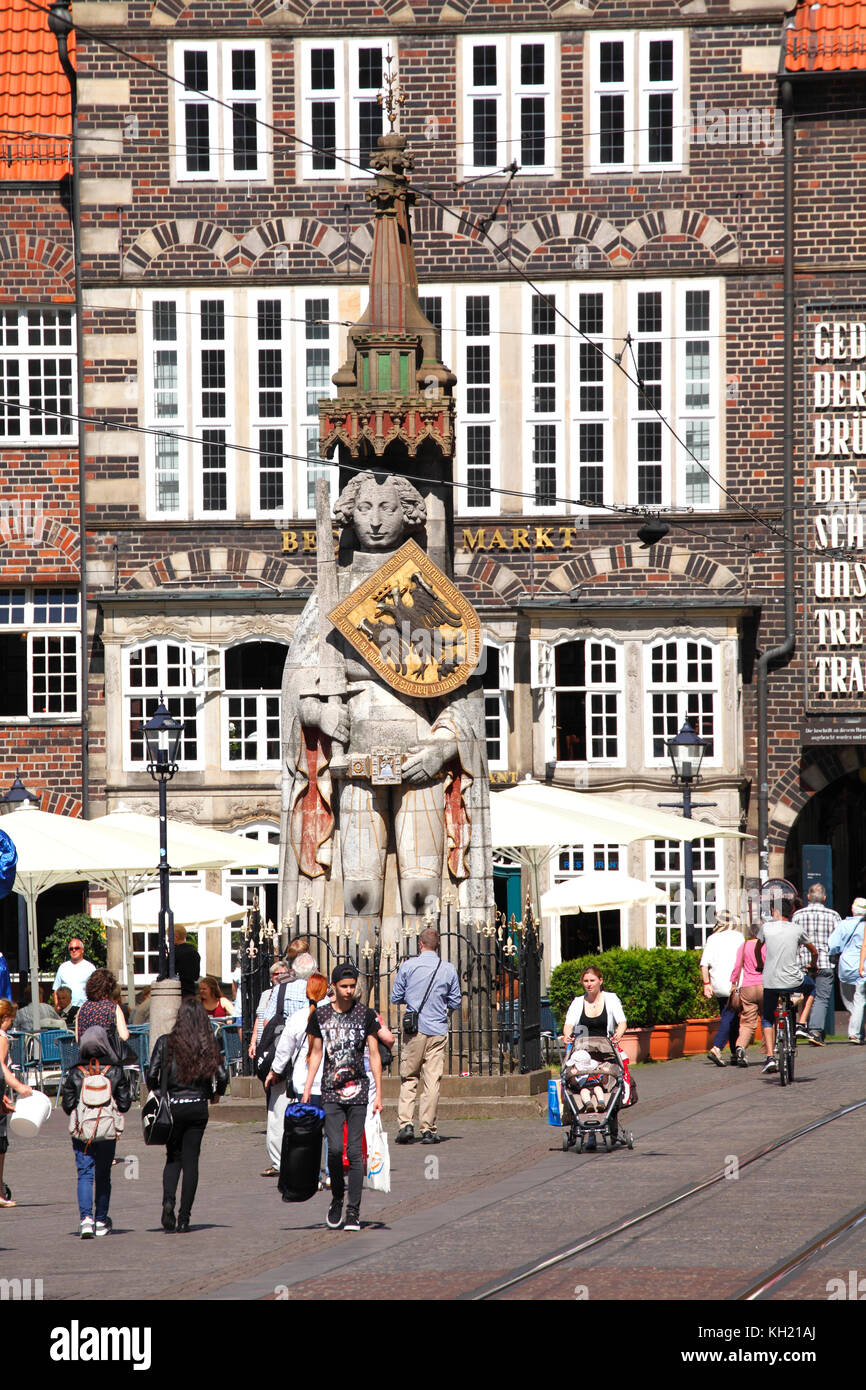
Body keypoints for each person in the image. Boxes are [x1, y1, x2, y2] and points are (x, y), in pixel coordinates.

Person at [281, 471, 492, 944]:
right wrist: (320, 714)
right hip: (354, 761)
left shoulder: (425, 587)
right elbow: (297, 688)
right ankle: (355, 977)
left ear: (409, 514)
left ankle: (423, 975)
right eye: (365, 509)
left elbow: (460, 692)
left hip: (421, 757)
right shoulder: (331, 591)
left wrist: (442, 750)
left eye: (388, 509)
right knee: (358, 892)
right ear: (349, 514)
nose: (375, 521)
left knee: (422, 888)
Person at [301, 962, 382, 1232]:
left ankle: (354, 1210)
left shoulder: (365, 1014)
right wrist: (306, 1090)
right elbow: (314, 1055)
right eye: (344, 986)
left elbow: (374, 1054)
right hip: (331, 1090)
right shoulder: (320, 1016)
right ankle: (337, 1198)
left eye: (352, 986)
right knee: (335, 1150)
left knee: (355, 1152)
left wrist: (379, 1092)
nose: (348, 991)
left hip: (359, 1089)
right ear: (333, 987)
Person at [145, 996, 227, 1234]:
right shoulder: (207, 1043)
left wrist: (159, 1088)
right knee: (192, 1162)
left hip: (172, 1106)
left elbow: (151, 1074)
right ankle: (184, 1217)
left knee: (173, 1157)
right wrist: (215, 1095)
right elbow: (222, 1075)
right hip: (198, 1107)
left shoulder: (166, 1043)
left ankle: (168, 1201)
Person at [391, 926, 460, 1145]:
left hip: (415, 1031)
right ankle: (428, 1129)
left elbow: (395, 997)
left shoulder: (408, 966)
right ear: (437, 945)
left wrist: (412, 1000)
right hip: (438, 1029)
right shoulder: (448, 969)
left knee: (409, 1077)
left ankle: (406, 1125)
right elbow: (456, 1001)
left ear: (420, 945)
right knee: (432, 1081)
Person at [61, 1025, 131, 1238]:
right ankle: (101, 1220)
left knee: (84, 1173)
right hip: (107, 1129)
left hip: (83, 1129)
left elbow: (67, 1105)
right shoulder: (115, 1070)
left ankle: (86, 1220)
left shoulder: (75, 1072)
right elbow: (126, 1104)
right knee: (103, 1174)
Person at [264, 972, 329, 1178]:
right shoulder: (332, 1016)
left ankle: (311, 1172)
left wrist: (274, 1071)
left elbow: (284, 1050)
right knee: (330, 1132)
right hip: (329, 1080)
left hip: (304, 1082)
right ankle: (329, 1171)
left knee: (309, 1130)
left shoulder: (297, 1017)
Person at [757, 907, 818, 1074]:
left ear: (774, 911)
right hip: (793, 980)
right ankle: (802, 1023)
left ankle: (770, 1057)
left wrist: (760, 965)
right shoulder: (796, 929)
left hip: (770, 981)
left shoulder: (766, 928)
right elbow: (813, 950)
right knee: (811, 987)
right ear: (791, 912)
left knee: (768, 1018)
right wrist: (813, 965)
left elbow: (757, 949)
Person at [791, 883, 840, 1043]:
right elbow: (837, 942)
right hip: (825, 962)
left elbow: (794, 941)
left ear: (808, 897)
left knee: (801, 994)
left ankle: (797, 1026)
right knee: (821, 997)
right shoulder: (833, 916)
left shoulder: (798, 915)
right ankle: (815, 1031)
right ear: (824, 898)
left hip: (803, 962)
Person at [701, 911, 746, 1067]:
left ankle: (734, 1053)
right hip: (734, 983)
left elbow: (704, 965)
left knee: (730, 1017)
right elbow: (745, 959)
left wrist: (706, 984)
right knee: (730, 1015)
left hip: (718, 984)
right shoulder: (738, 937)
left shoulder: (712, 939)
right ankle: (717, 1047)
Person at [0, 1000, 32, 1206]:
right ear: (4, 1019)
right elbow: (1, 1067)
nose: (11, 1024)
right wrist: (20, 1087)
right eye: (11, 1020)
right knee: (0, 1144)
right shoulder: (2, 1037)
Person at [729, 925, 768, 1066]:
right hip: (765, 985)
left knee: (747, 1022)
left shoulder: (744, 946)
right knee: (768, 1020)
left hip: (748, 986)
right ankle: (768, 1052)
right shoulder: (765, 946)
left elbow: (737, 966)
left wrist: (733, 983)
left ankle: (740, 1047)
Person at [831, 896, 866, 1042]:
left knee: (848, 999)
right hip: (862, 965)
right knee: (860, 999)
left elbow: (833, 945)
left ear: (852, 909)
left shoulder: (842, 925)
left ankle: (856, 1031)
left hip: (845, 965)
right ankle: (856, 1031)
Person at [75, 969, 130, 1052]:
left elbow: (77, 1039)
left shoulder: (82, 1008)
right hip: (108, 1059)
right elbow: (124, 1035)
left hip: (86, 1060)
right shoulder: (113, 1007)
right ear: (110, 988)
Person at [52, 937, 96, 1009]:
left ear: (82, 950)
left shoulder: (90, 968)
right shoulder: (62, 967)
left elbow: (96, 990)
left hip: (84, 1009)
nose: (74, 950)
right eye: (71, 949)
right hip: (66, 1010)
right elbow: (56, 990)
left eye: (77, 948)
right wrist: (58, 1007)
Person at [173, 926, 201, 998]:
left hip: (176, 993)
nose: (168, 940)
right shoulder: (194, 952)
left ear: (176, 936)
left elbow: (168, 973)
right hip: (191, 992)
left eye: (169, 937)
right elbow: (196, 976)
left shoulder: (175, 953)